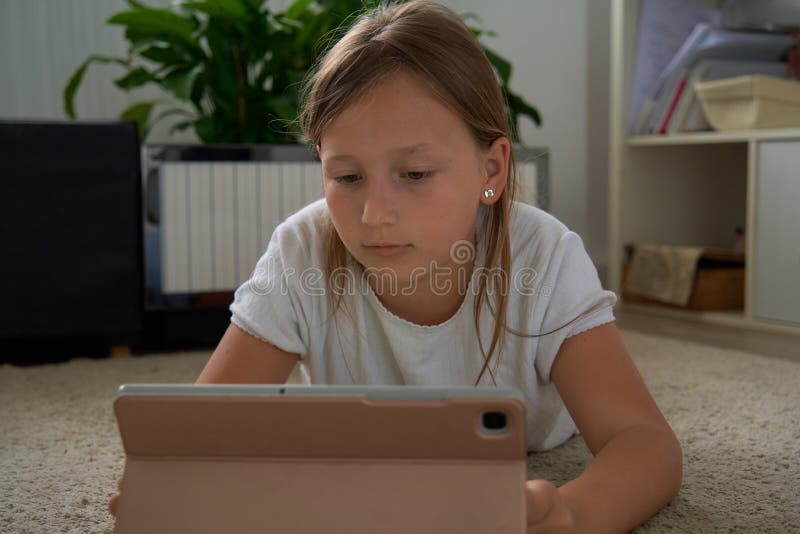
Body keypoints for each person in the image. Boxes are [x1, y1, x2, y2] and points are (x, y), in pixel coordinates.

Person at [111, 1, 682, 531]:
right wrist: (177, 481)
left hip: (536, 442)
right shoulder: (301, 250)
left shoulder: (544, 256)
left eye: (414, 174)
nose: (374, 214)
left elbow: (645, 442)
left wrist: (570, 512)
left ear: (493, 169)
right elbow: (203, 429)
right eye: (347, 177)